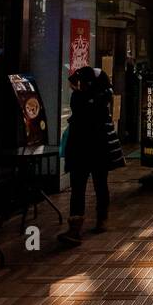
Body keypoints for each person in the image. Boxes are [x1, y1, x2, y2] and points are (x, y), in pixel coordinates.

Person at [58, 67, 119, 247]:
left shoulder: (92, 98)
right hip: (91, 149)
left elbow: (82, 110)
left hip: (87, 148)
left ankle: (85, 225)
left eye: (80, 81)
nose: (76, 85)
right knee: (92, 185)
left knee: (87, 186)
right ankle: (91, 222)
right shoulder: (100, 96)